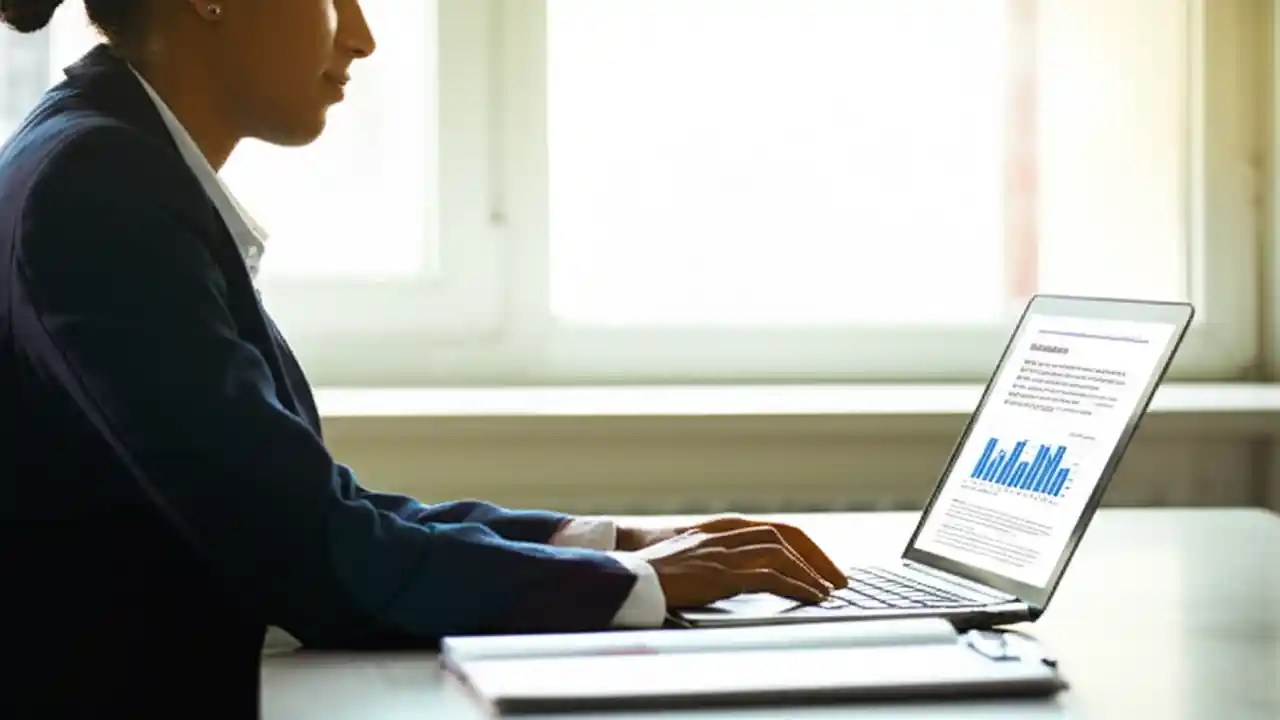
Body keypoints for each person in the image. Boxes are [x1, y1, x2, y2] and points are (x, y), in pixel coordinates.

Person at [0, 0, 847, 715]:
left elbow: (305, 503)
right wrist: (628, 581)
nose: (360, 36)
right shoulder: (97, 187)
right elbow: (310, 552)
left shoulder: (104, 159)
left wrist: (607, 540)